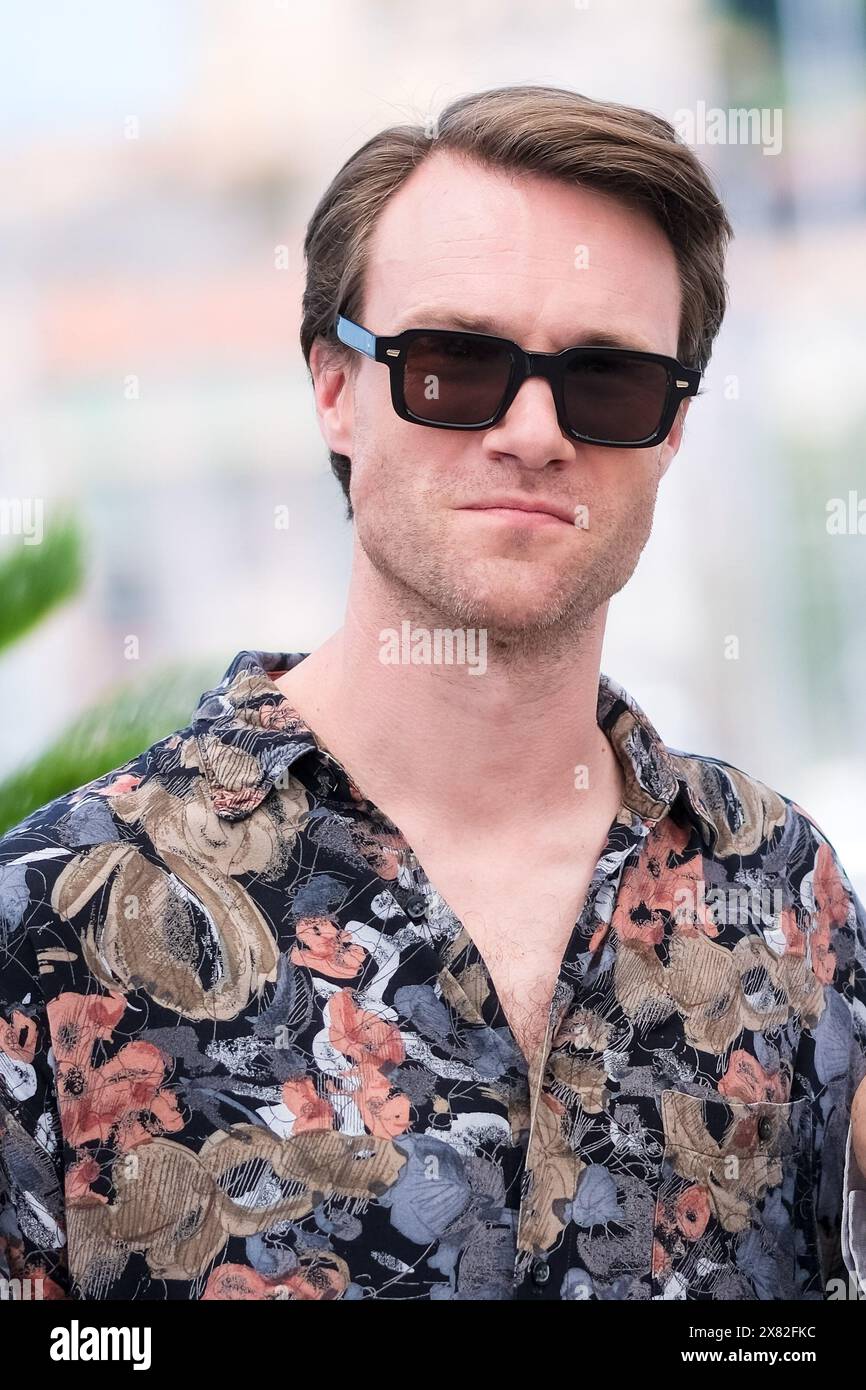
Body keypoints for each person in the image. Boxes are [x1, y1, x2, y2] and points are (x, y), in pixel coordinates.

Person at [1, 84, 864, 1302]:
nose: (533, 430)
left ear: (671, 429)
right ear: (333, 389)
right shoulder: (50, 923)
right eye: (454, 364)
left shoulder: (785, 890)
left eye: (608, 379)